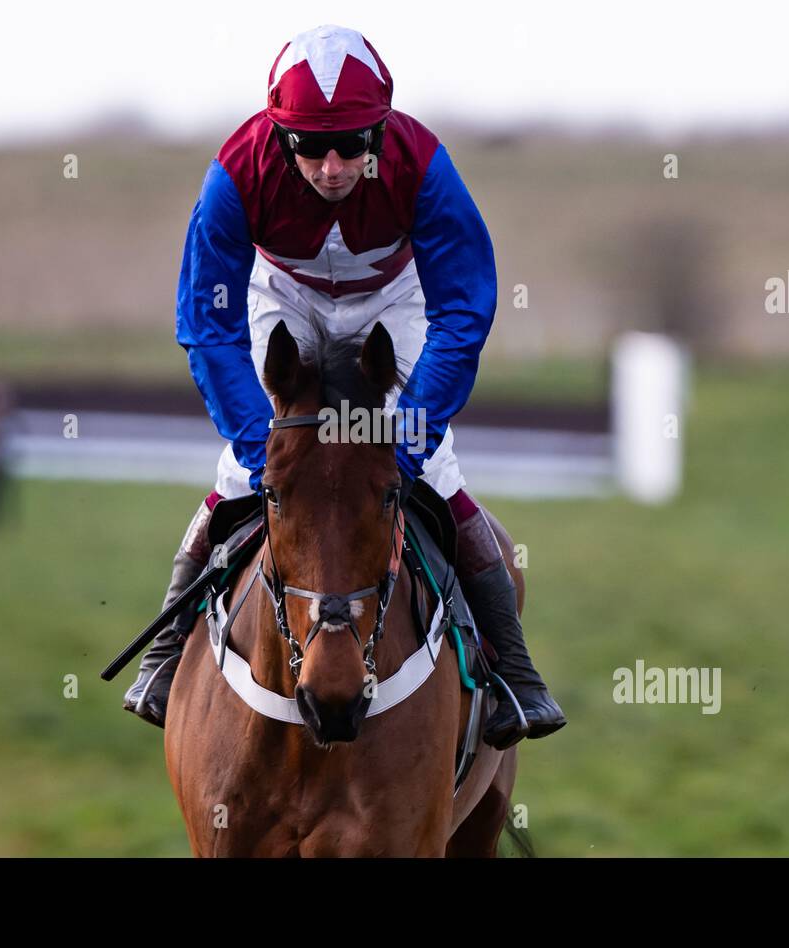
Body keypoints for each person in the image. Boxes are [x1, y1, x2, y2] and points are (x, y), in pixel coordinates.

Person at [124, 25, 564, 749]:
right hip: (282, 297)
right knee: (241, 473)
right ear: (279, 136)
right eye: (308, 147)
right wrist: (257, 441)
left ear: (381, 131)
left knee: (438, 465)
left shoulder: (424, 165)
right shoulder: (235, 172)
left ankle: (513, 671)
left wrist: (411, 438)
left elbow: (465, 310)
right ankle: (168, 654)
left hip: (395, 303)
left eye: (352, 146)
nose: (331, 167)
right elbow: (208, 324)